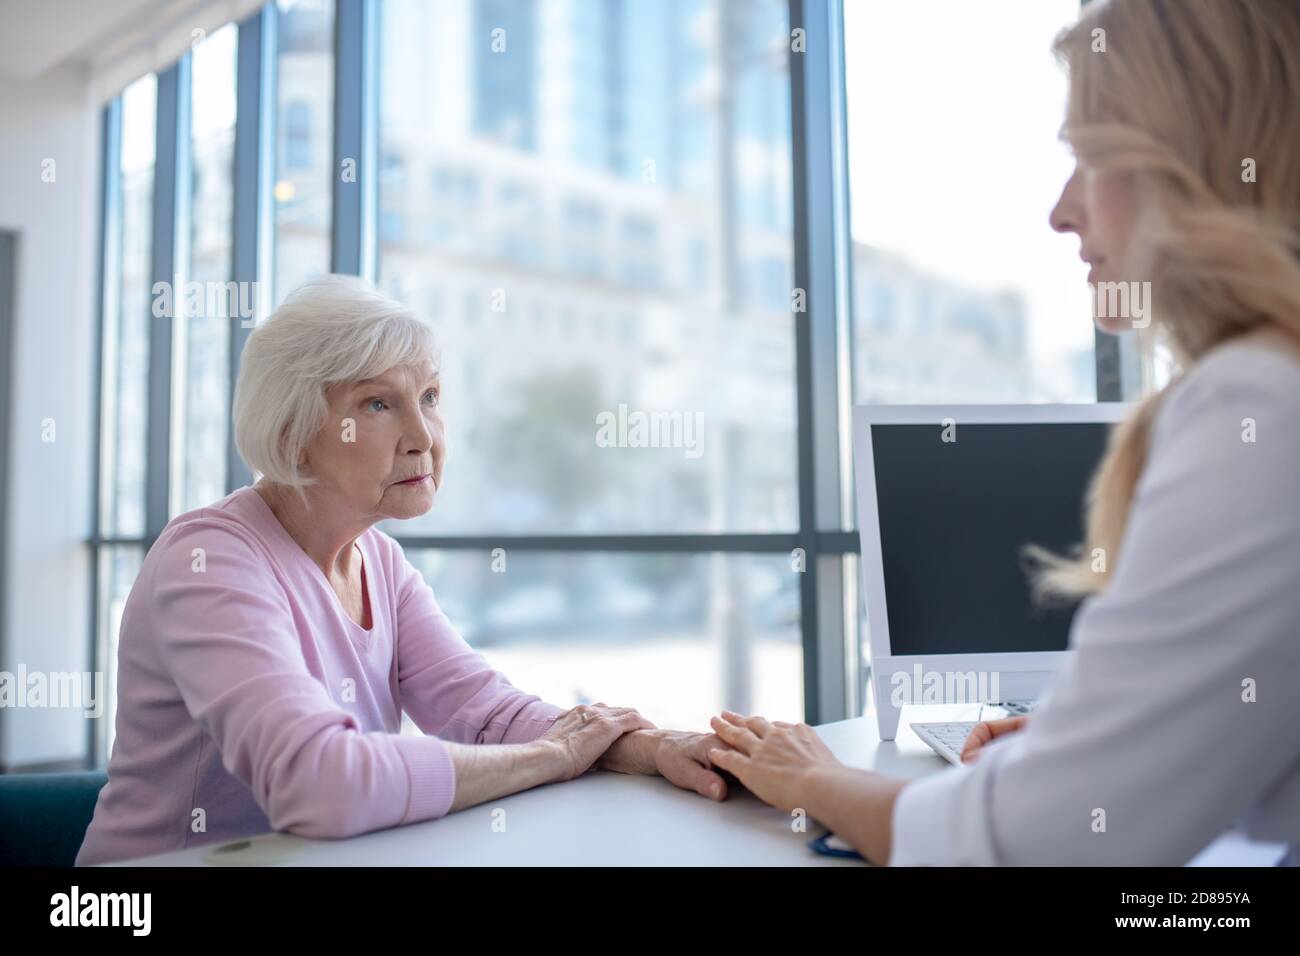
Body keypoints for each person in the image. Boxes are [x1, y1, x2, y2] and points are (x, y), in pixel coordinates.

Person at [706, 0, 1300, 866]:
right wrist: (1089, 747)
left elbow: (1038, 846)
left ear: (1193, 167)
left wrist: (817, 780)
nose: (1063, 213)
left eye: (1091, 159)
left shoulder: (1257, 407)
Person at [77, 275, 729, 865]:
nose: (424, 435)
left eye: (430, 396)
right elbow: (320, 786)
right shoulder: (212, 561)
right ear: (293, 429)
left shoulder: (378, 561)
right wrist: (550, 758)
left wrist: (654, 748)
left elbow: (485, 713)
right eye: (377, 405)